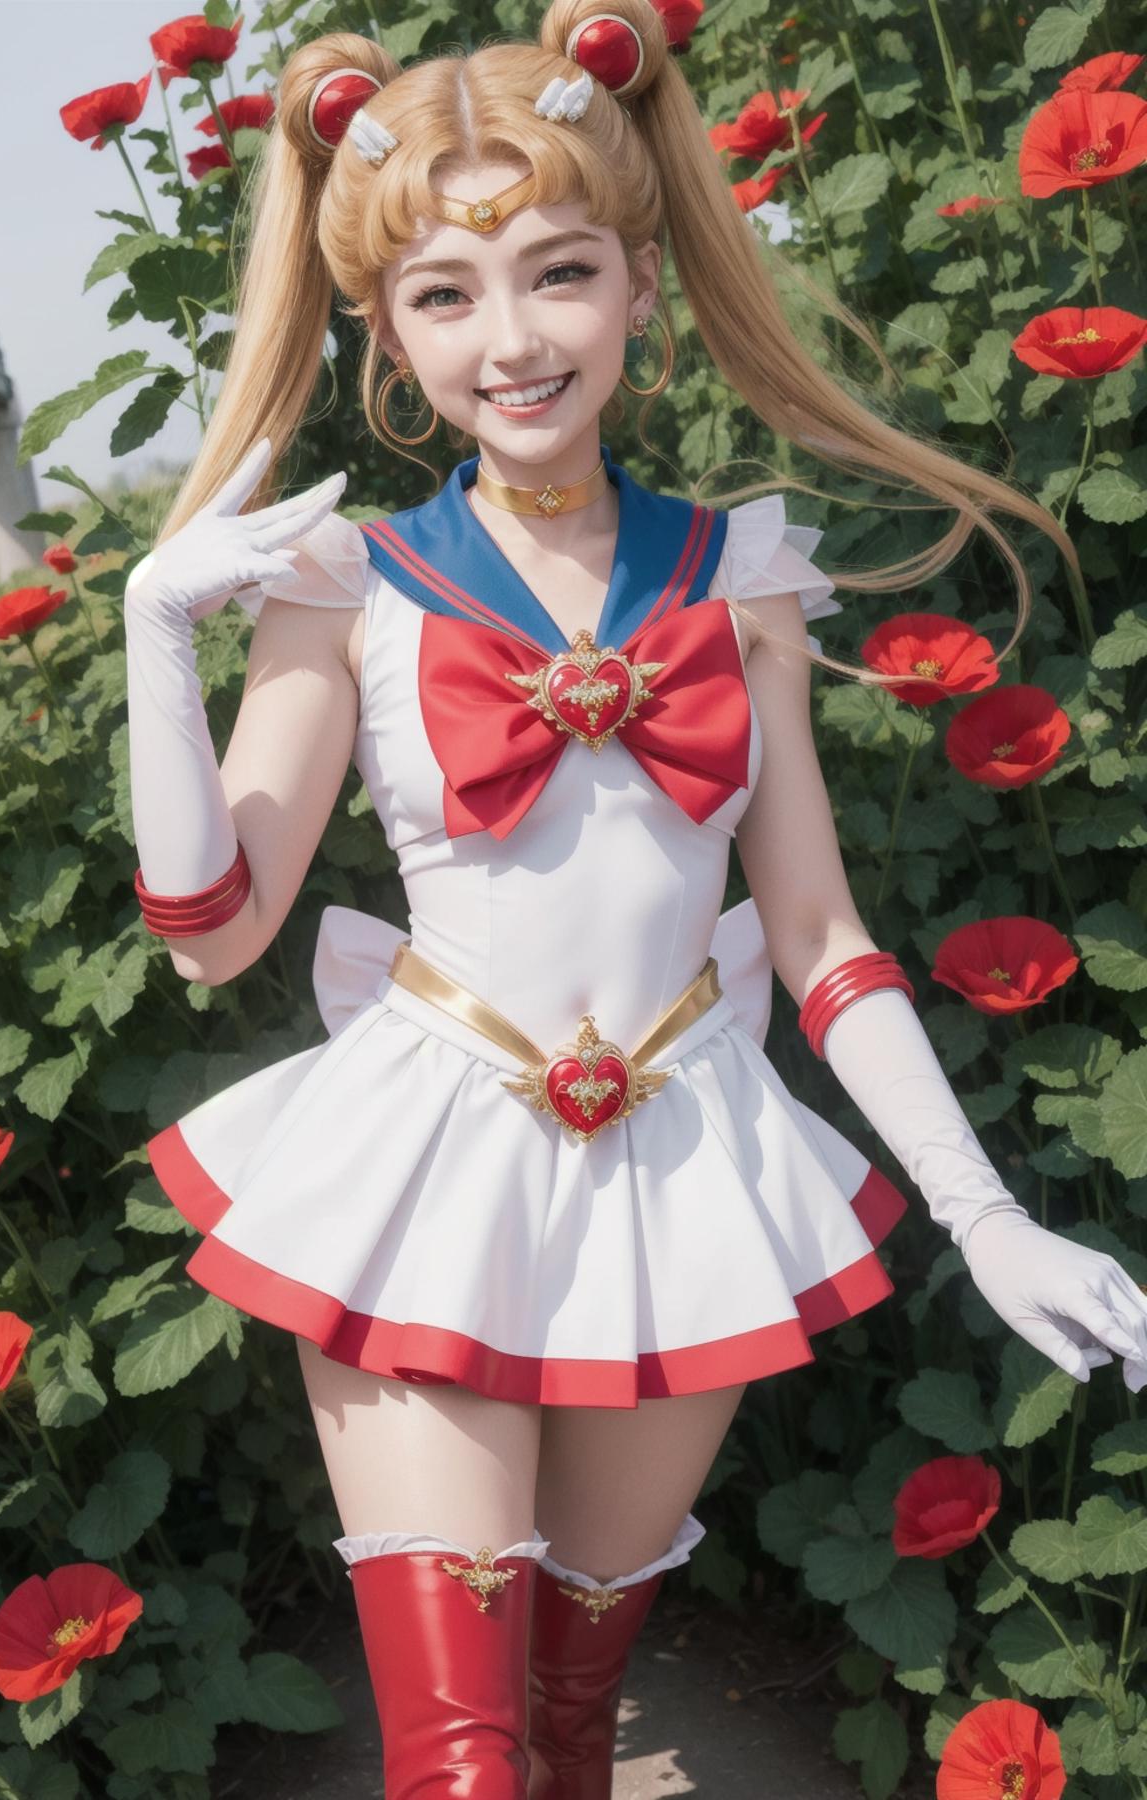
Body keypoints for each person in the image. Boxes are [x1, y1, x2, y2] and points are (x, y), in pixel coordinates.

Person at [122, 5, 1147, 1795]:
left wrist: (985, 1222)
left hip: (684, 1160)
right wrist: (152, 630)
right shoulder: (341, 587)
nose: (510, 342)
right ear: (384, 330)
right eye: (444, 294)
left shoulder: (739, 576)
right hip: (430, 1165)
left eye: (557, 272)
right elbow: (210, 935)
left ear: (642, 283)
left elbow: (823, 945)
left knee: (577, 1722)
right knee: (464, 1764)